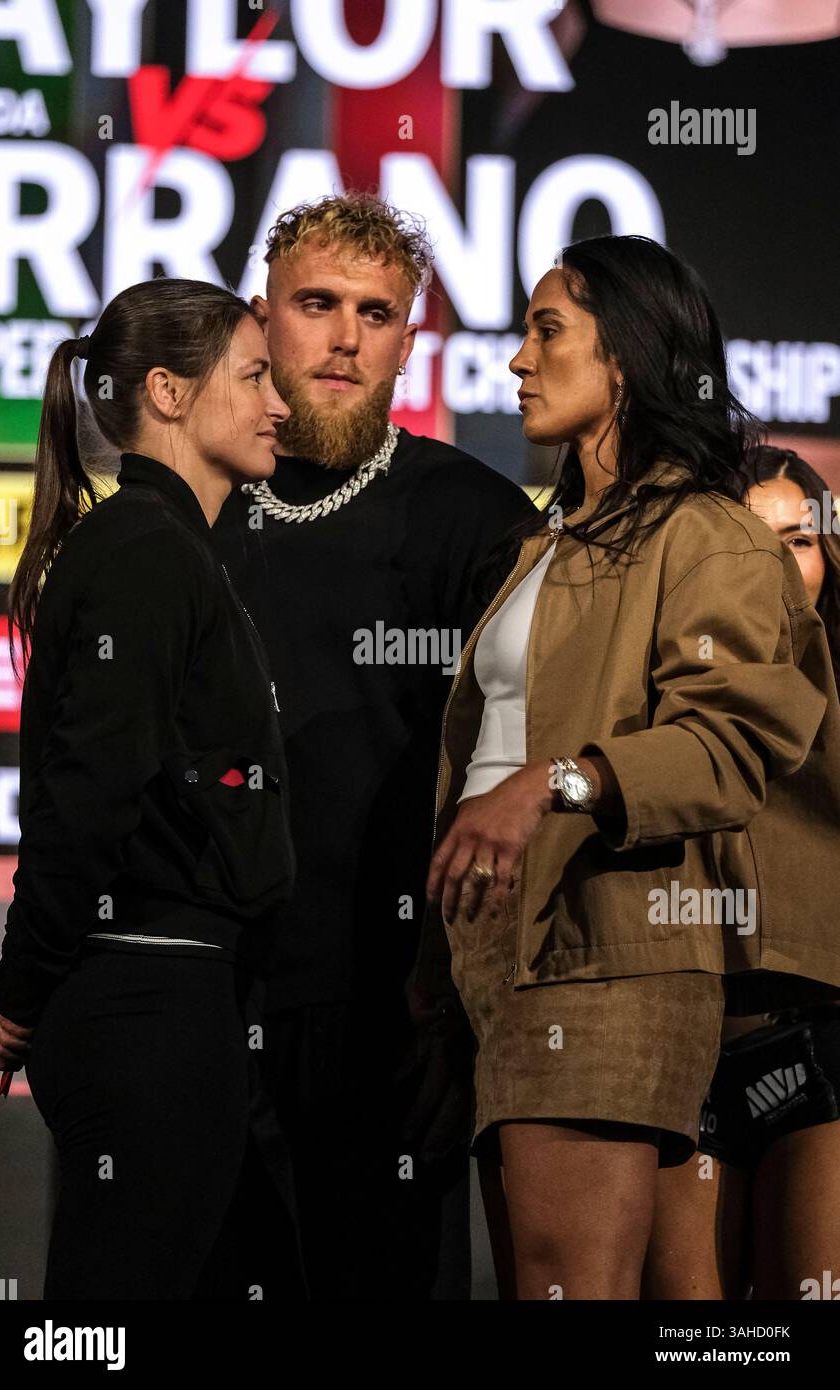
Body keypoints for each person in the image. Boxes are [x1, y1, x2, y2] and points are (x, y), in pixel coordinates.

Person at [412, 235, 840, 1300]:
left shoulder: (707, 535)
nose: (514, 358)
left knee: (573, 1288)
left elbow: (728, 743)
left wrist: (555, 782)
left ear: (626, 360)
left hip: (608, 945)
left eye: (545, 328)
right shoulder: (548, 544)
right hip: (497, 955)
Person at [211, 192, 535, 1299]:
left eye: (376, 312)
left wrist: (465, 1006)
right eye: (316, 303)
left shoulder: (478, 518)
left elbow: (520, 771)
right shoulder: (187, 513)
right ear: (261, 317)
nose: (346, 337)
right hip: (209, 1008)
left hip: (394, 1018)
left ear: (410, 335)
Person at [0, 278, 306, 1300]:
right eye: (252, 375)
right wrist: (26, 995)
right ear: (166, 391)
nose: (279, 403)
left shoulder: (160, 550)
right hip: (144, 1009)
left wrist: (35, 988)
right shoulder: (144, 550)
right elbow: (86, 805)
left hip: (159, 1002)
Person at [644, 445, 840, 1301]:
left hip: (823, 1042)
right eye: (750, 544)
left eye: (798, 543)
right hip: (679, 1053)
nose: (779, 569)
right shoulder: (651, 688)